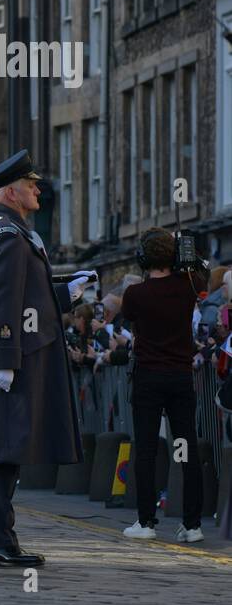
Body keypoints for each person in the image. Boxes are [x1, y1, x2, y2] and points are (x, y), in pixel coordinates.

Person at [0, 149, 94, 568]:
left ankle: (1, 538)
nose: (38, 189)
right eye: (31, 183)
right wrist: (4, 359)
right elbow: (2, 304)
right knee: (2, 450)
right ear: (11, 191)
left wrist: (63, 294)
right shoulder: (9, 237)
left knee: (7, 450)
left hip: (11, 354)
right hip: (11, 358)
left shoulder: (6, 232)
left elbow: (25, 301)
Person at [119, 228, 207, 543]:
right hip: (180, 375)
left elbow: (128, 320)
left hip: (148, 376)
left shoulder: (135, 294)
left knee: (146, 449)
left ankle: (146, 521)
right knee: (186, 448)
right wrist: (186, 252)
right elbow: (203, 272)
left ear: (143, 259)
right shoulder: (188, 286)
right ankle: (193, 524)